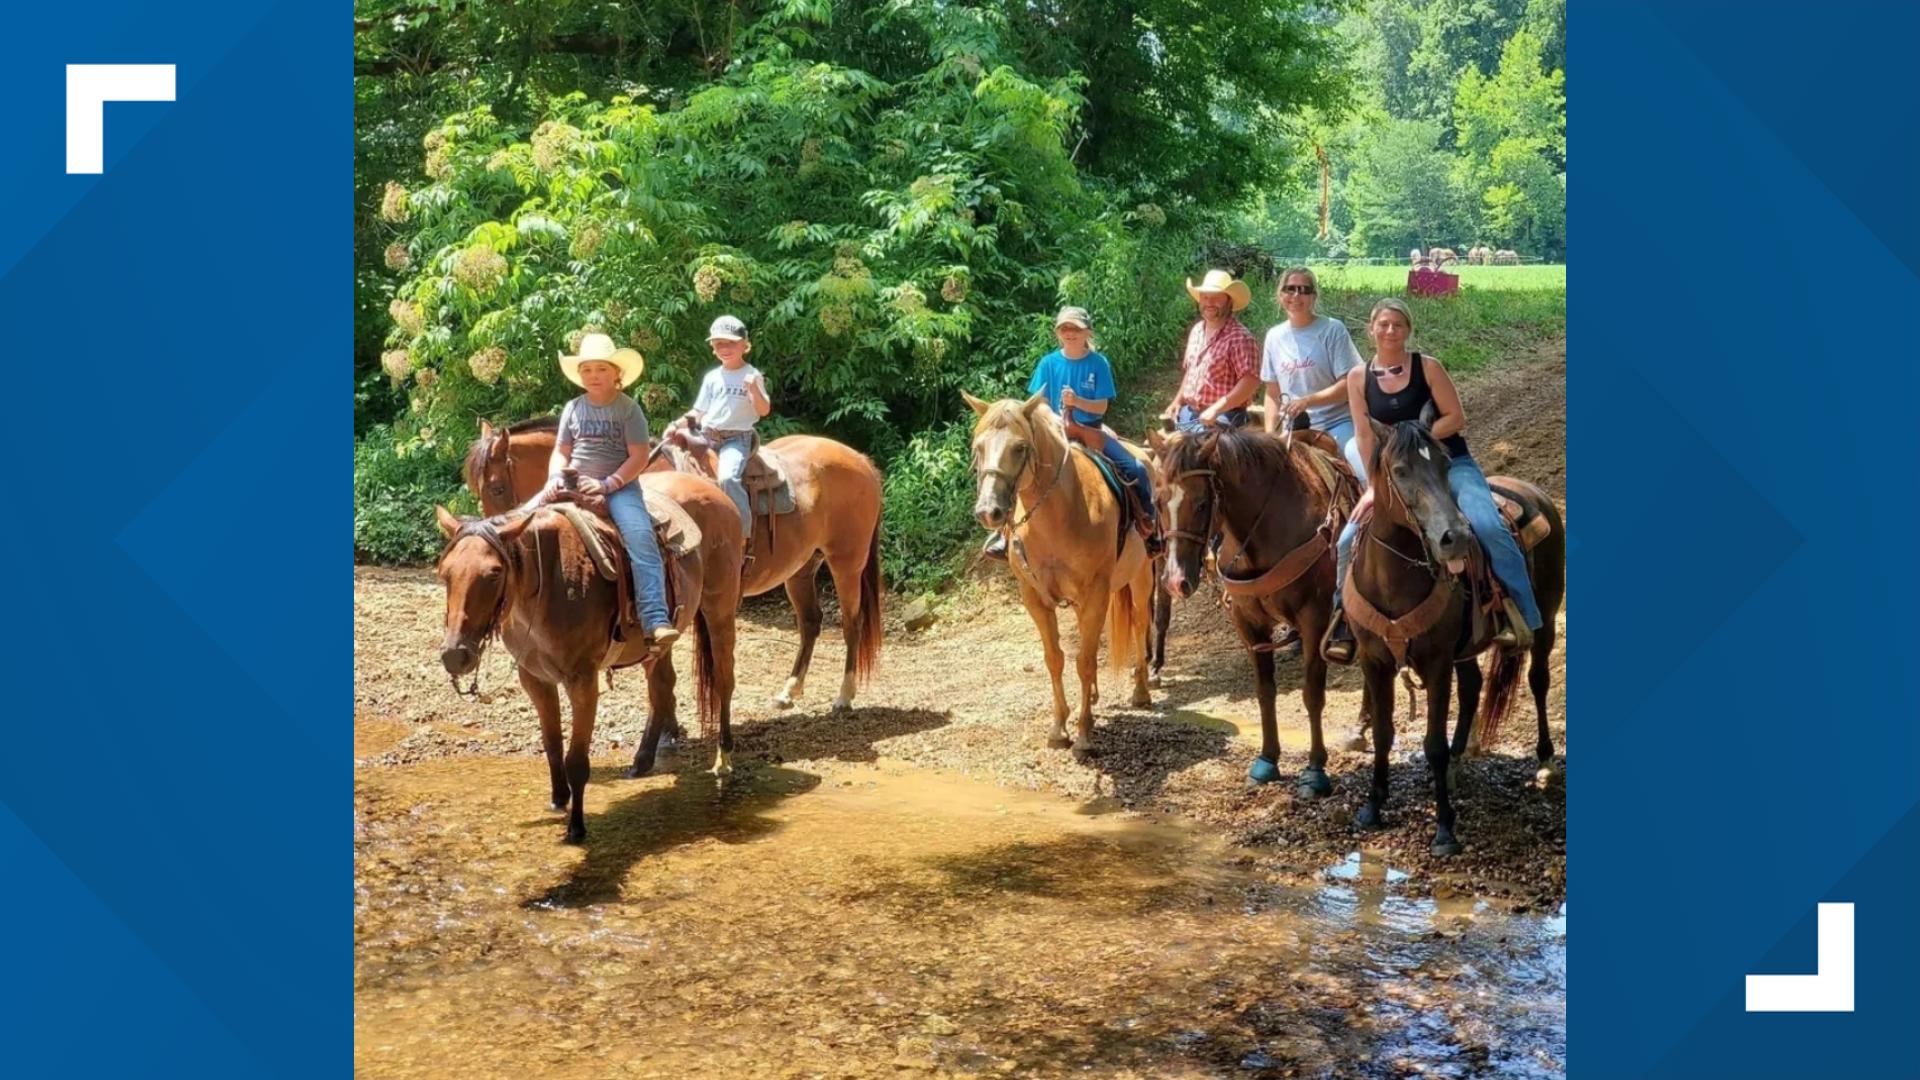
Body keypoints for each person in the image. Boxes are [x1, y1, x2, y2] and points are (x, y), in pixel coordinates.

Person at [1323, 299, 1544, 662]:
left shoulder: (1428, 367)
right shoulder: (1358, 378)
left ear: (1408, 330)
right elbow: (1363, 435)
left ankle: (1519, 614)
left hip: (1448, 463)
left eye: (1398, 324)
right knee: (1347, 539)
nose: (1390, 330)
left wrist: (1413, 440)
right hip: (1397, 476)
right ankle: (1343, 622)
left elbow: (1456, 418)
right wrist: (1374, 486)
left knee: (1487, 525)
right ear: (1371, 329)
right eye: (1383, 324)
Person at [983, 307, 1163, 561]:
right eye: (1064, 328)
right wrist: (1056, 420)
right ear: (1058, 333)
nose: (1070, 333)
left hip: (1090, 431)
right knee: (1019, 471)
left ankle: (1148, 526)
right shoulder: (1048, 363)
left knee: (1136, 468)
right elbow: (1038, 404)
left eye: (1076, 328)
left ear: (1087, 332)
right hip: (1054, 432)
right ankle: (1004, 533)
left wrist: (1077, 402)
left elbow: (1101, 406)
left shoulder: (1098, 363)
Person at [547, 332, 678, 652]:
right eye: (587, 369)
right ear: (580, 375)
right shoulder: (573, 408)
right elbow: (561, 451)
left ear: (616, 373)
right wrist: (554, 477)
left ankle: (655, 618)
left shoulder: (628, 410)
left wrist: (608, 484)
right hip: (573, 482)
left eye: (602, 369)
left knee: (640, 536)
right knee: (522, 522)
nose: (594, 375)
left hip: (619, 488)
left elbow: (639, 456)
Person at [1260, 267, 1368, 485]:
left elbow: (1348, 384)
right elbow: (1272, 393)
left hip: (1336, 422)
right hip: (1293, 427)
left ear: (1314, 296)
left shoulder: (1332, 329)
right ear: (1280, 294)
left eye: (1304, 290)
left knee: (1360, 468)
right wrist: (1270, 435)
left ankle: (1369, 504)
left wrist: (1308, 401)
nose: (1296, 295)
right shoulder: (1274, 337)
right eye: (1290, 289)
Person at [681, 315, 771, 561]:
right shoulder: (712, 377)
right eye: (719, 343)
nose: (725, 348)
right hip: (707, 437)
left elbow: (763, 410)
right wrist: (677, 425)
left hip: (736, 439)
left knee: (728, 478)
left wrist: (753, 389)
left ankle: (741, 534)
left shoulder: (752, 375)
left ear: (744, 345)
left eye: (730, 343)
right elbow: (698, 411)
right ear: (713, 348)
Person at [1161, 269, 1261, 435]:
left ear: (1229, 301)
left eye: (1216, 297)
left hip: (1226, 416)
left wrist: (1216, 409)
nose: (1209, 302)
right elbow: (1191, 371)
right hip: (1190, 412)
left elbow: (1250, 381)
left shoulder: (1240, 337)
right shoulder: (1197, 330)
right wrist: (1177, 401)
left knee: (1204, 448)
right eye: (1205, 297)